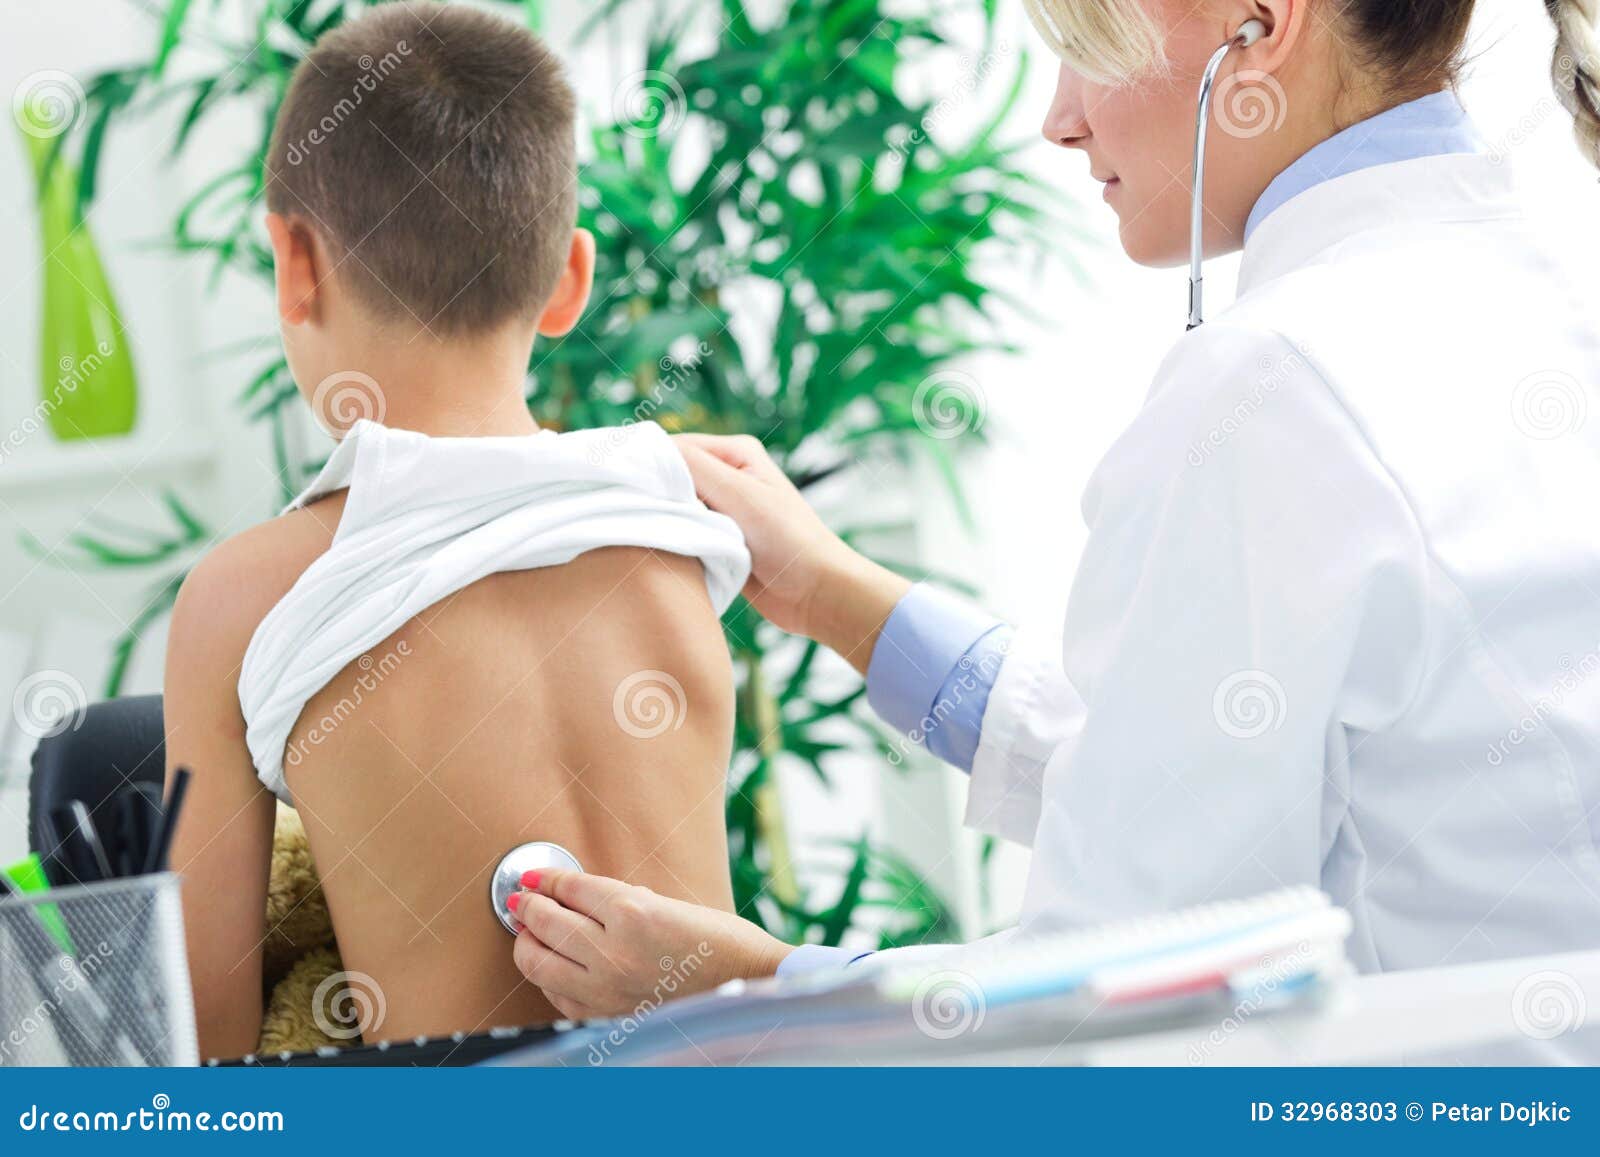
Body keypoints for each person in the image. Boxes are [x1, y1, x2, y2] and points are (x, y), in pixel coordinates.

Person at [507, 0, 1600, 1059]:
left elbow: (1118, 1010)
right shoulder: (1535, 294)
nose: (1058, 117)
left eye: (1086, 46)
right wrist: (834, 594)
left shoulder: (1277, 385)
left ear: (1257, 28)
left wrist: (746, 992)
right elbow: (1250, 756)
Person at [162, 2, 748, 1060]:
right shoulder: (684, 513)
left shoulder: (246, 595)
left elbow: (204, 1053)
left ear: (295, 263)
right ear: (570, 278)